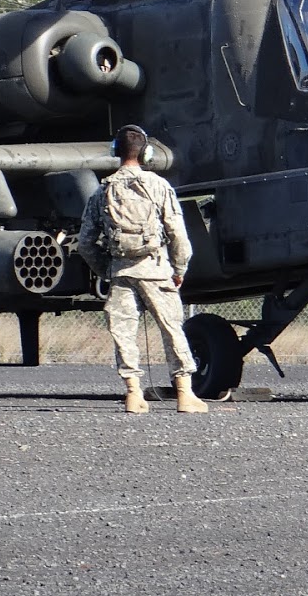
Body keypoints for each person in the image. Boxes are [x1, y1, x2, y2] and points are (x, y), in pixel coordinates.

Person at [76, 124, 208, 415]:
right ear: (147, 153)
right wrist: (179, 268)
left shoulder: (103, 190)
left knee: (124, 333)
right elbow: (178, 234)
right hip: (157, 270)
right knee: (173, 330)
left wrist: (107, 269)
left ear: (115, 152)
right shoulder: (159, 186)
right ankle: (185, 395)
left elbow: (85, 243)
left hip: (122, 272)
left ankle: (133, 394)